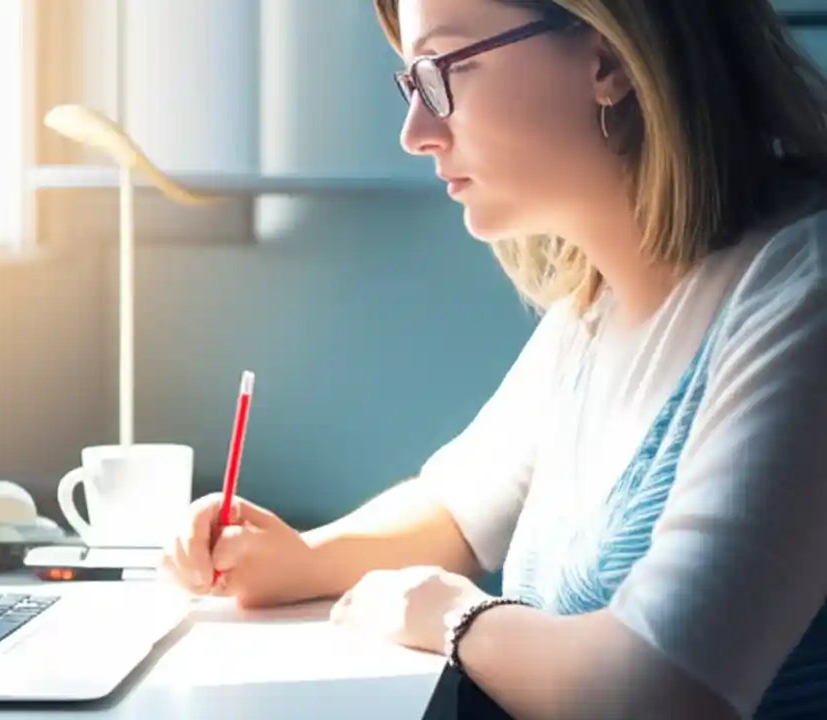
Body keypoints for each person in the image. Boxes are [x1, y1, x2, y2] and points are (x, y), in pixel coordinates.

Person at [158, 1, 827, 718]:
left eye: (444, 71)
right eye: (412, 82)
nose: (415, 132)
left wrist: (456, 618)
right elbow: (459, 511)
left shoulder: (802, 293)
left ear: (607, 60)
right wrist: (302, 558)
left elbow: (663, 691)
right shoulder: (592, 312)